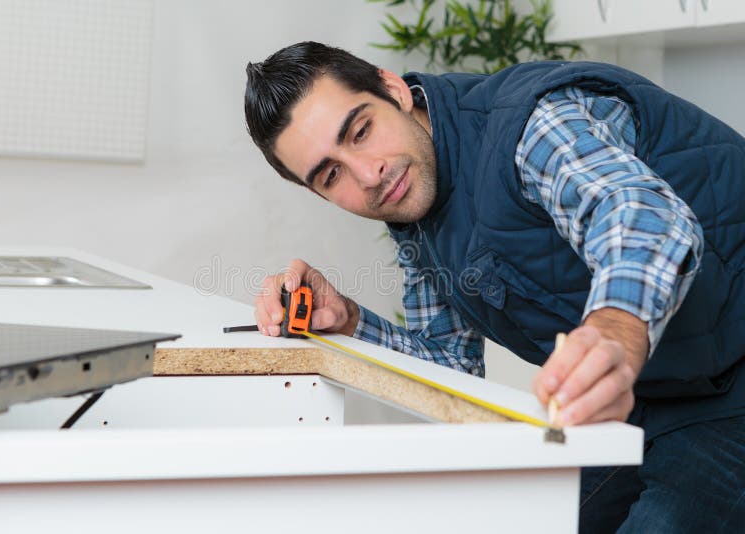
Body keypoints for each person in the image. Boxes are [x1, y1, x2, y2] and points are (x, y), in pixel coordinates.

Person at [243, 41, 745, 532]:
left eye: (361, 131)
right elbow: (452, 363)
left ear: (392, 89)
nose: (367, 174)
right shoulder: (416, 206)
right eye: (332, 175)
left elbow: (639, 217)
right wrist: (350, 321)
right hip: (652, 394)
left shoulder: (532, 123)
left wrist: (614, 331)